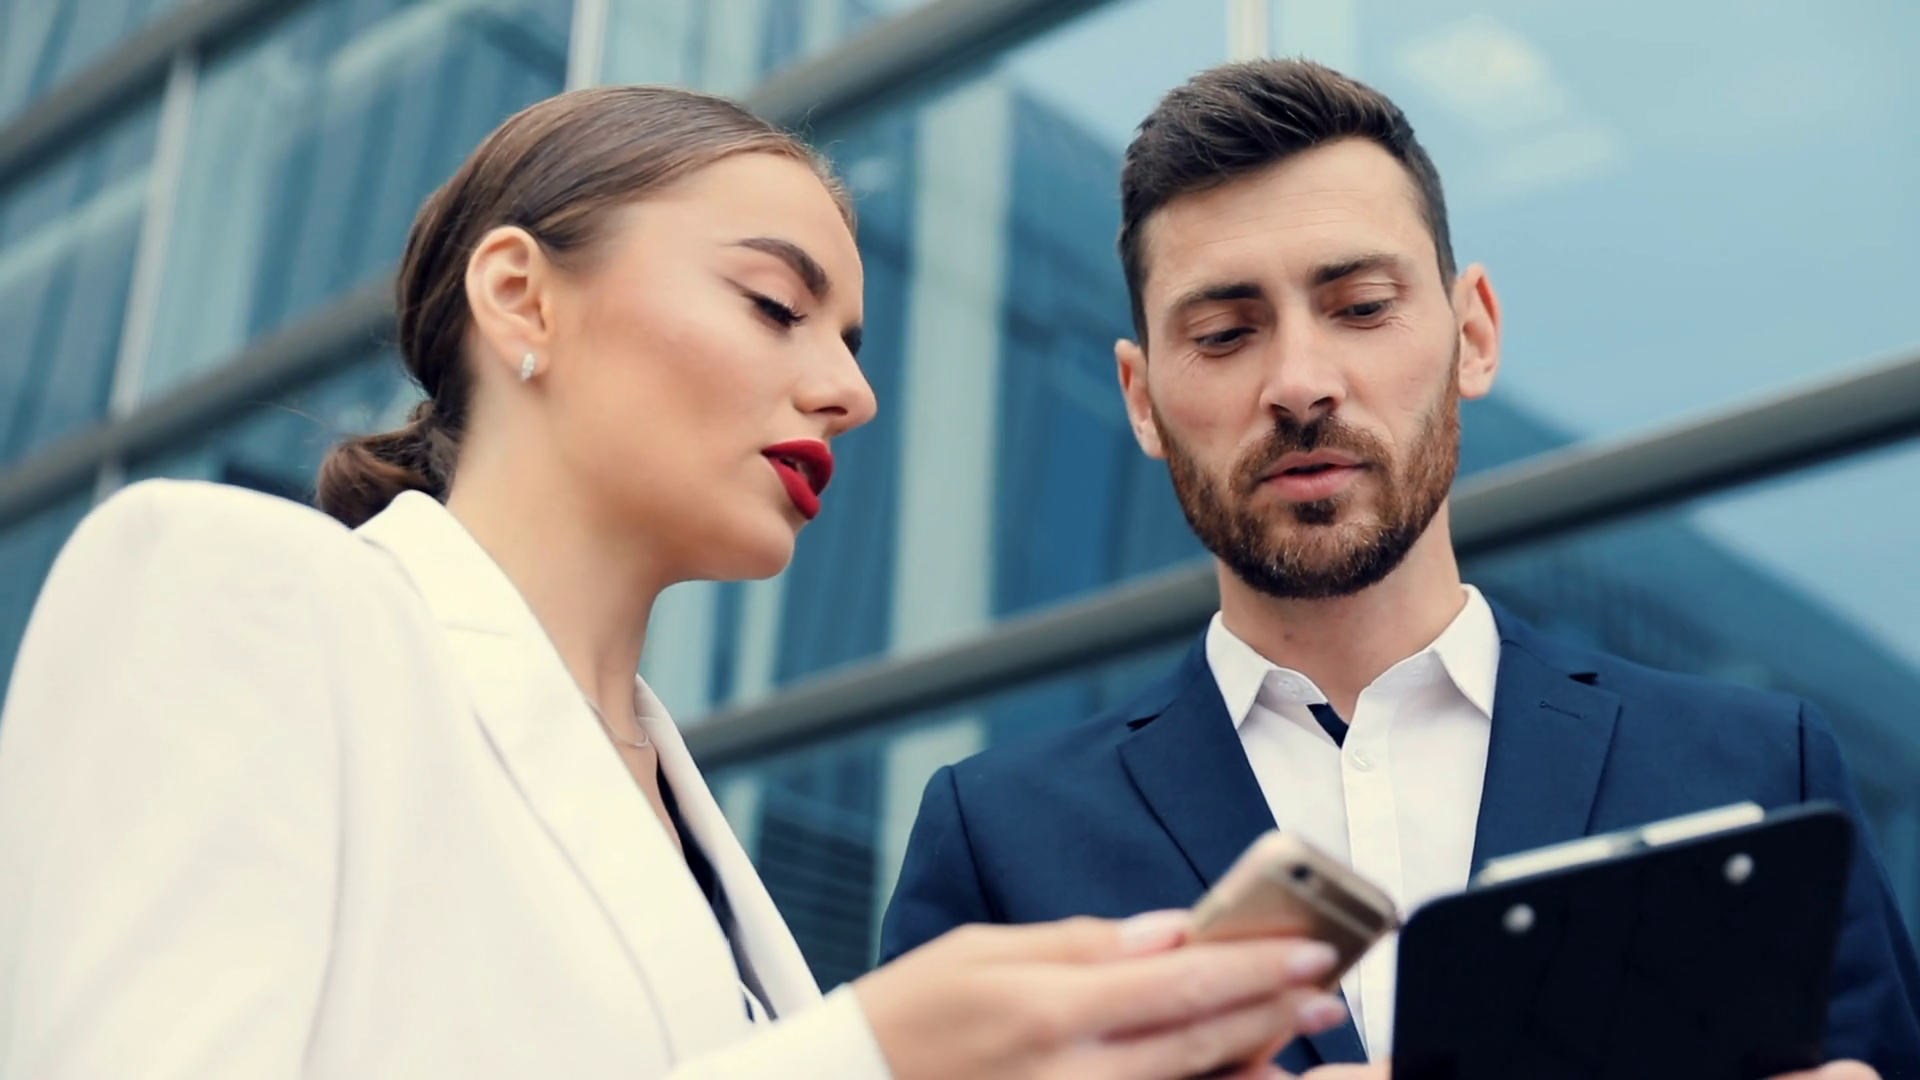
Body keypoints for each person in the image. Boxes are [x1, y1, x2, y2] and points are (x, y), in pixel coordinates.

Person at [0, 85, 1356, 1079]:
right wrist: (871, 1056)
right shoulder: (233, 592)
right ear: (522, 299)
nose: (851, 390)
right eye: (775, 305)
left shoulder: (687, 821)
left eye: (849, 337)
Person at [879, 59, 1920, 1077]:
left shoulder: (1755, 769)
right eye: (1226, 332)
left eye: (1362, 307)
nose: (1299, 383)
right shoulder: (1000, 842)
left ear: (1473, 333)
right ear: (1142, 397)